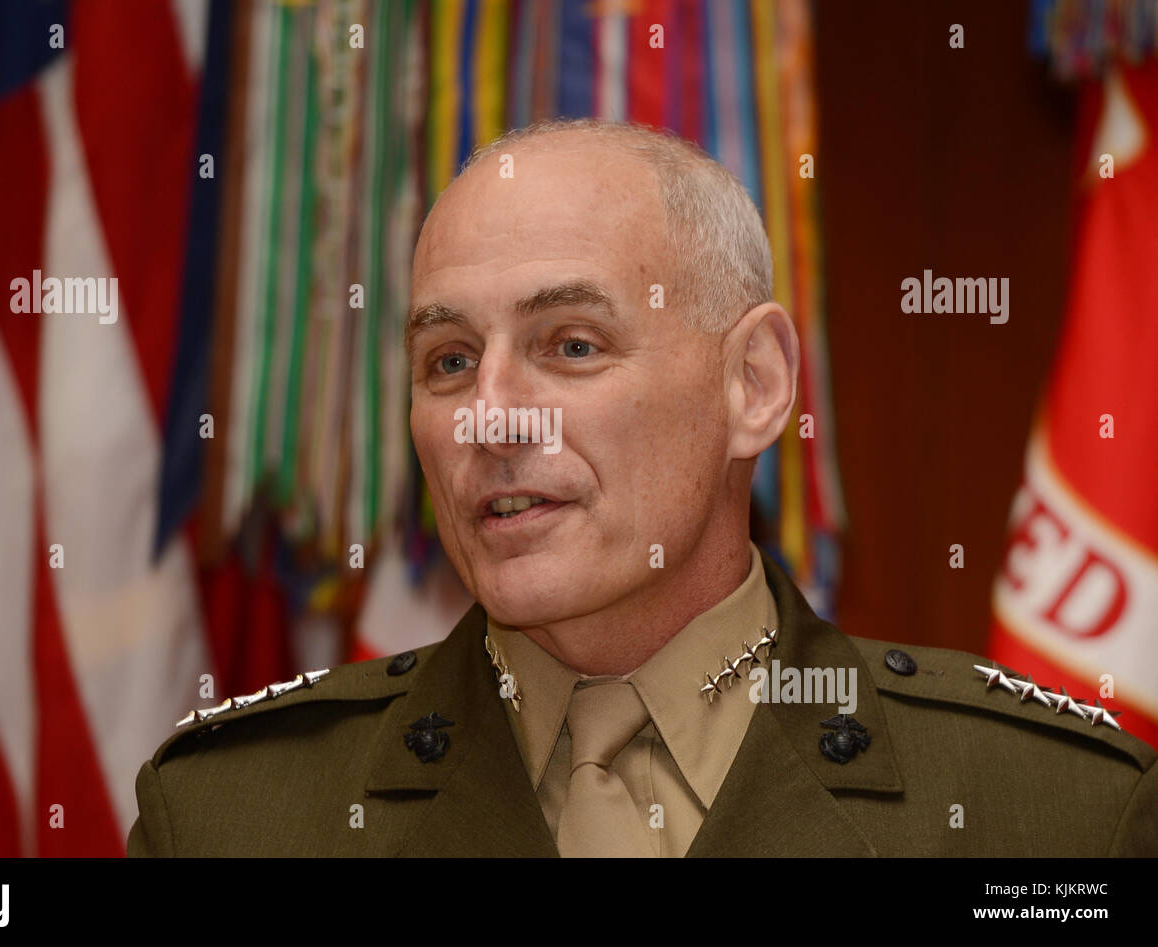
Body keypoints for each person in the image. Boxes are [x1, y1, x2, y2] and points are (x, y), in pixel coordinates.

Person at [128, 119, 1156, 857]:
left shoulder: (1050, 811)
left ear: (752, 386)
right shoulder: (231, 815)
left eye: (569, 345)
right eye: (447, 360)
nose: (490, 415)